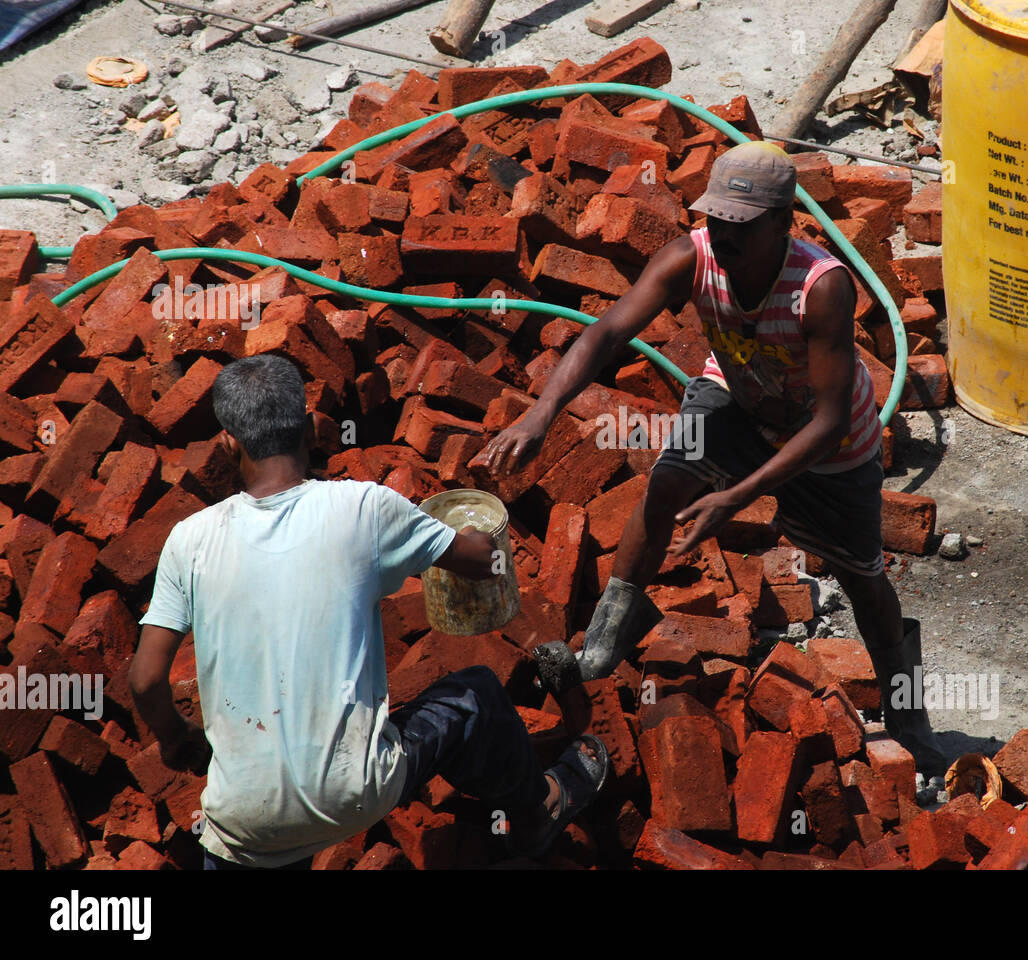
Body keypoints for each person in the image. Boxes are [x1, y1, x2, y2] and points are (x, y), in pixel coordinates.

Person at [481, 141, 947, 780]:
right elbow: (609, 331)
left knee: (862, 576)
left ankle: (907, 710)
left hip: (828, 442)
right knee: (669, 478)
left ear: (783, 223)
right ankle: (607, 639)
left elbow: (830, 420)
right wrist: (541, 413)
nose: (722, 234)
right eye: (716, 218)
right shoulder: (689, 257)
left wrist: (738, 495)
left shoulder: (821, 289)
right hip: (736, 396)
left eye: (741, 225)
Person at [129, 354, 607, 869]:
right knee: (476, 696)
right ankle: (537, 812)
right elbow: (484, 562)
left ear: (229, 442)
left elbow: (146, 679)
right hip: (356, 791)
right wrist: (474, 532)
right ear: (309, 427)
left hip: (243, 821)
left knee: (250, 842)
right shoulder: (364, 508)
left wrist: (178, 741)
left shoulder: (189, 540)